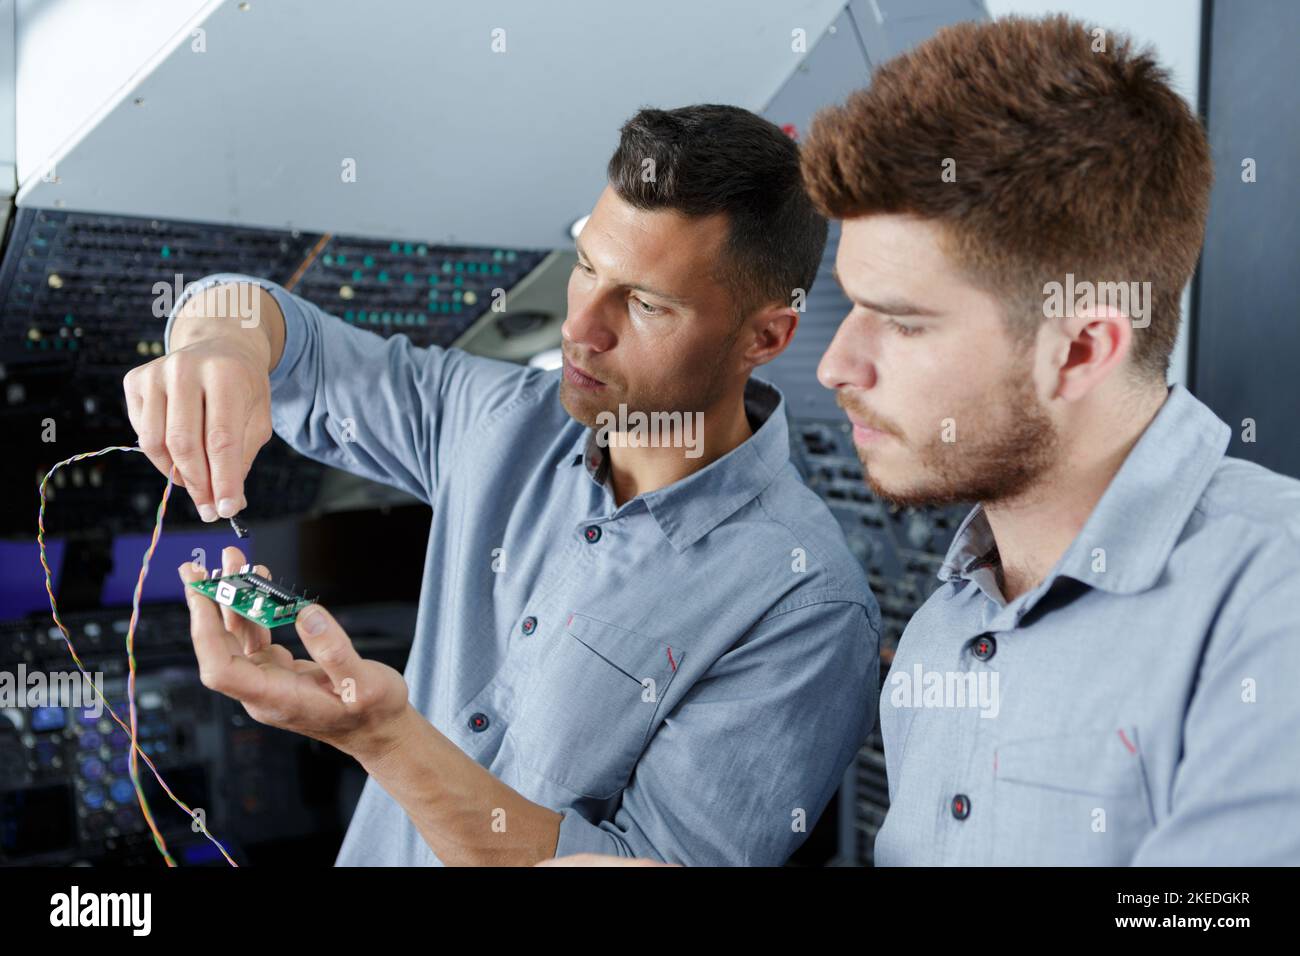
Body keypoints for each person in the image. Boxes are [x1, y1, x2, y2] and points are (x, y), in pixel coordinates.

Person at [127, 104, 880, 866]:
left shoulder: (806, 606)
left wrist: (383, 739)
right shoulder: (497, 419)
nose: (581, 327)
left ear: (766, 336)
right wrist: (222, 342)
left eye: (646, 303)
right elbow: (280, 332)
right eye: (587, 265)